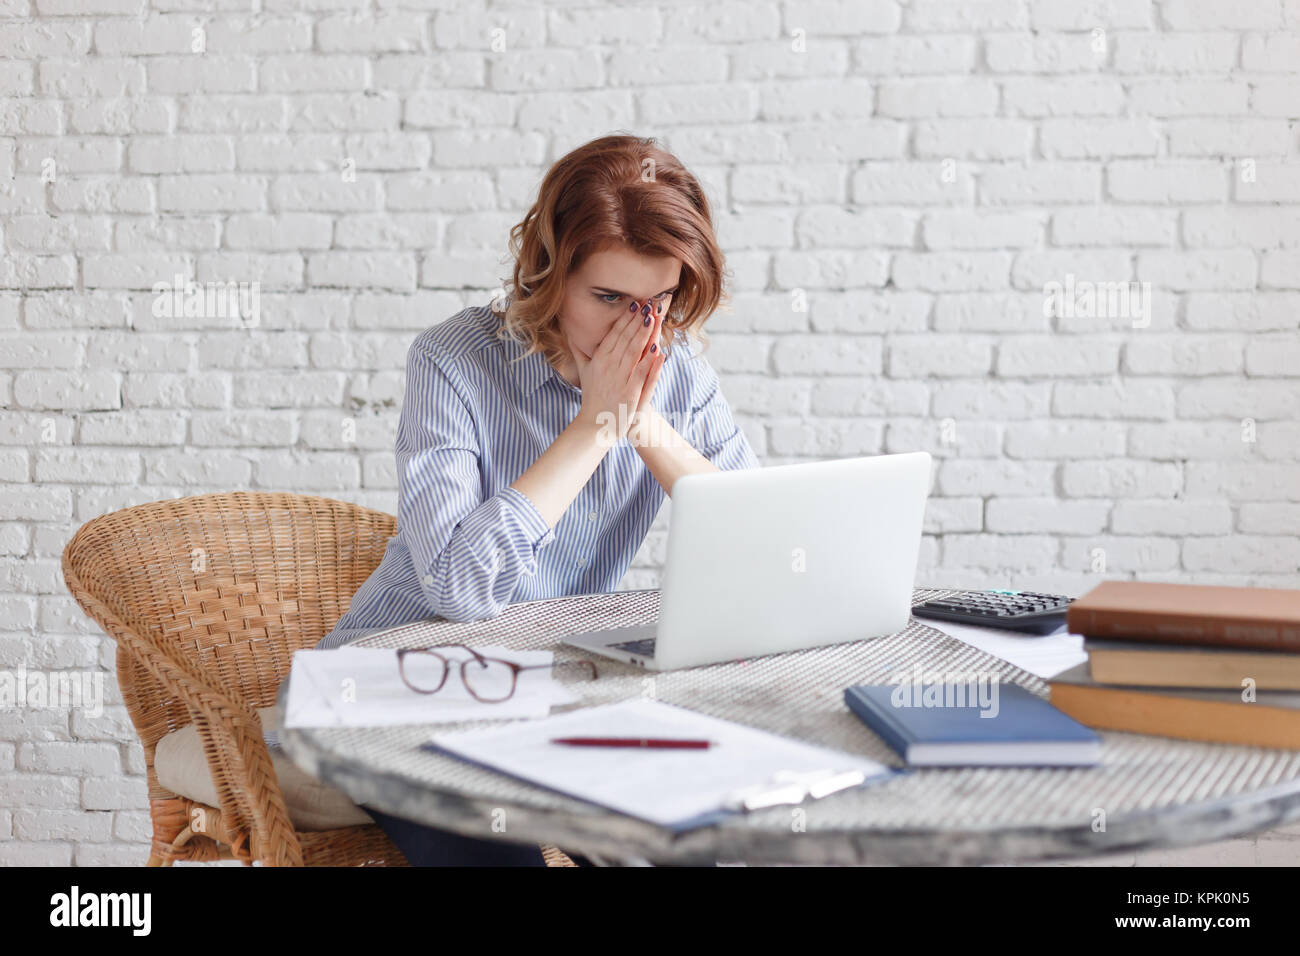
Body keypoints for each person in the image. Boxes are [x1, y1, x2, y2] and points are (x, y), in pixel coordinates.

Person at [315, 133, 760, 865]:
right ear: (548, 275)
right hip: (396, 685)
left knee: (695, 836)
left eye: (657, 301)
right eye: (608, 298)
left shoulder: (676, 372)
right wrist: (592, 428)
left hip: (553, 685)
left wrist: (638, 420)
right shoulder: (453, 361)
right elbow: (461, 586)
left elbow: (759, 548)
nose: (634, 328)